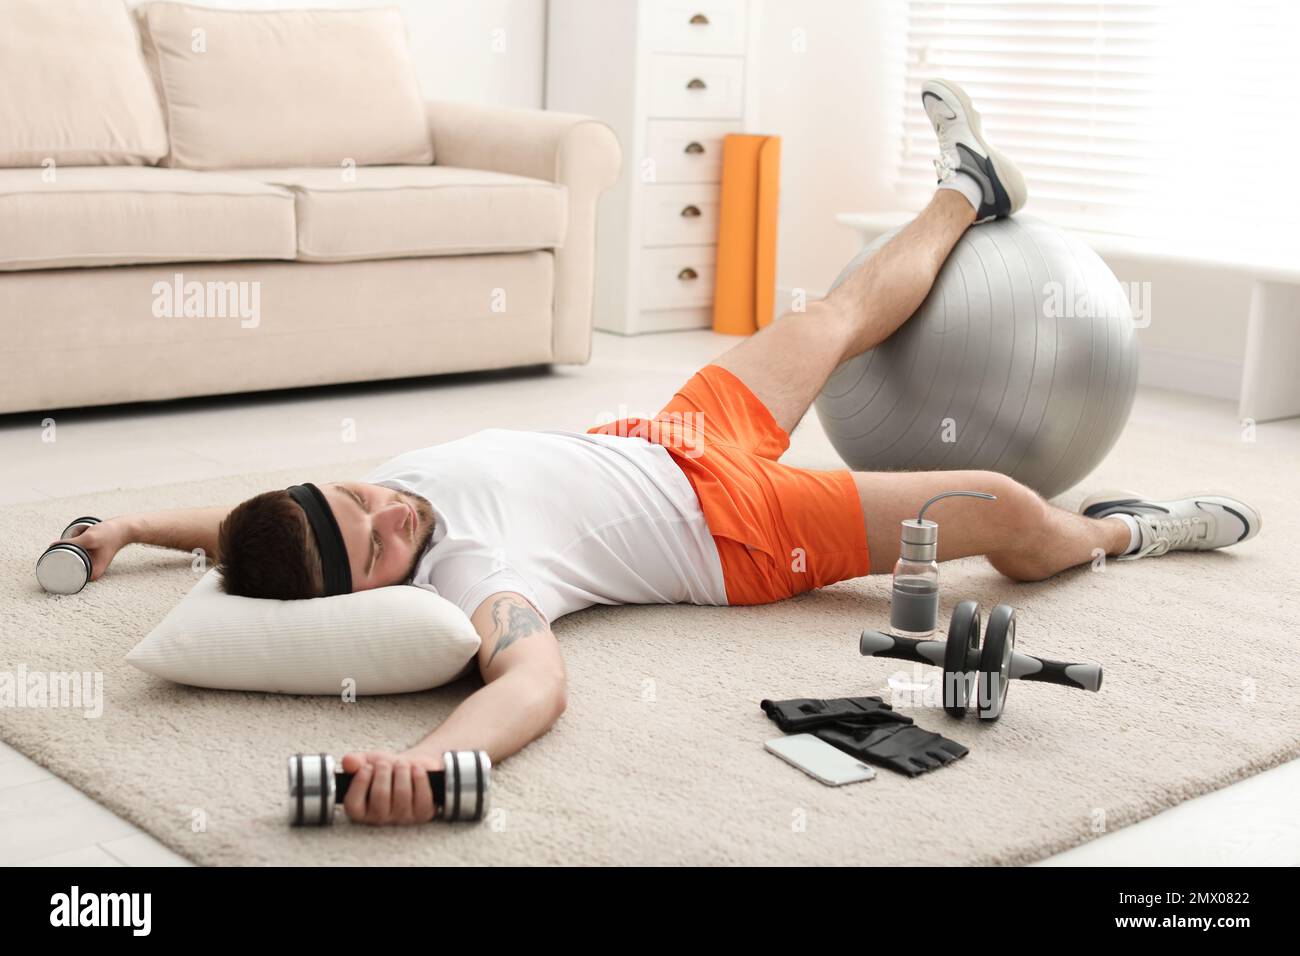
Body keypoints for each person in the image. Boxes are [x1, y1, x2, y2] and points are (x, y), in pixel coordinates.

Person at [61, 80, 1260, 825]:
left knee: (823, 319)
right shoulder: (475, 588)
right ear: (367, 596)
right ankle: (1123, 530)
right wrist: (428, 764)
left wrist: (125, 529)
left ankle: (969, 188)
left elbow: (236, 528)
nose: (394, 513)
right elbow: (532, 684)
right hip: (735, 530)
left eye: (366, 496)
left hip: (668, 433)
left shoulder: (341, 509)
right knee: (997, 505)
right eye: (378, 544)